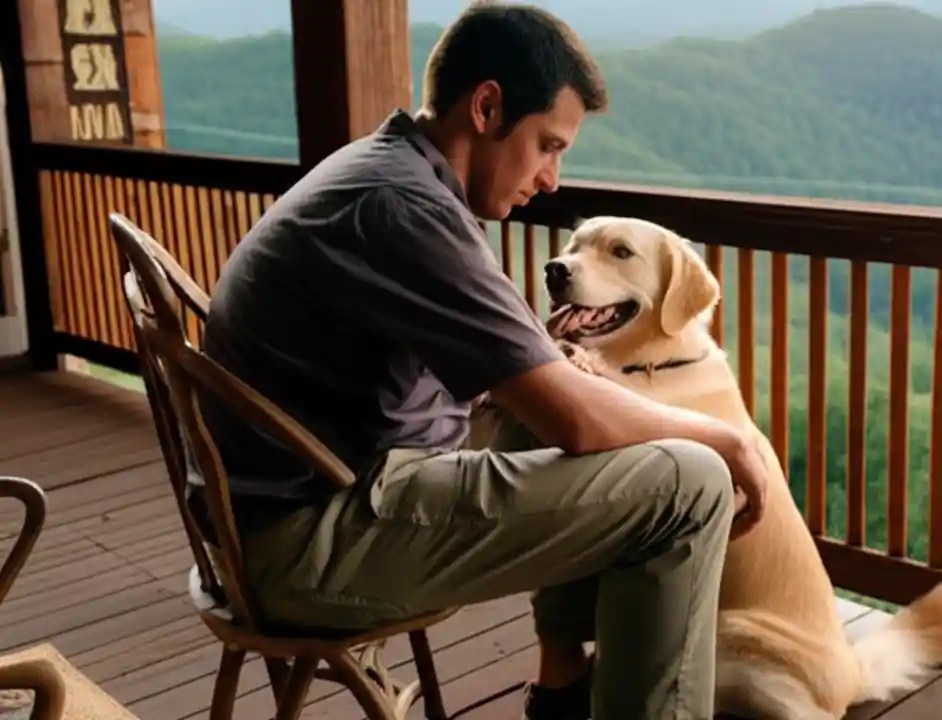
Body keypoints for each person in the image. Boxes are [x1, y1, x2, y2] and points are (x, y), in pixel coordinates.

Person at [193, 2, 770, 719]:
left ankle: (562, 685)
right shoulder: (403, 207)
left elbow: (543, 385)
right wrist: (728, 436)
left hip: (296, 501)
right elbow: (578, 422)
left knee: (559, 409)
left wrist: (563, 384)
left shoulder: (390, 173)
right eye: (547, 145)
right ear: (488, 107)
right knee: (691, 483)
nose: (553, 177)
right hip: (304, 545)